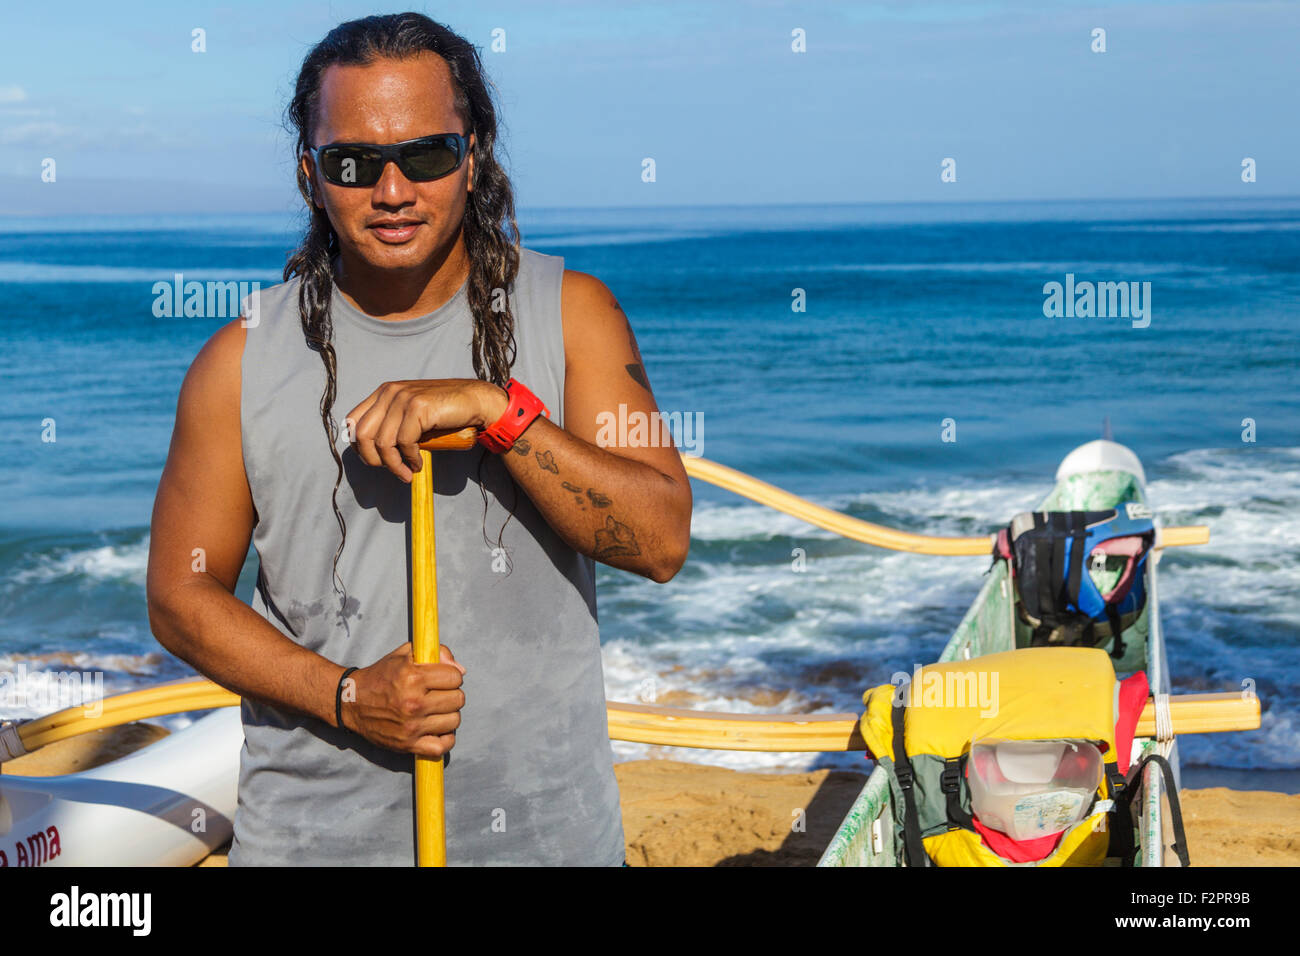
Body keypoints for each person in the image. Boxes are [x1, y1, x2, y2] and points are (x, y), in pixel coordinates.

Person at [145, 13, 692, 866]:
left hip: (549, 842)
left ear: (474, 156)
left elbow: (660, 540)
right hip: (311, 845)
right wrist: (348, 695)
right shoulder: (239, 361)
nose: (393, 190)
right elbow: (182, 596)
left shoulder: (572, 312)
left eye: (428, 154)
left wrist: (498, 413)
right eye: (353, 163)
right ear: (309, 174)